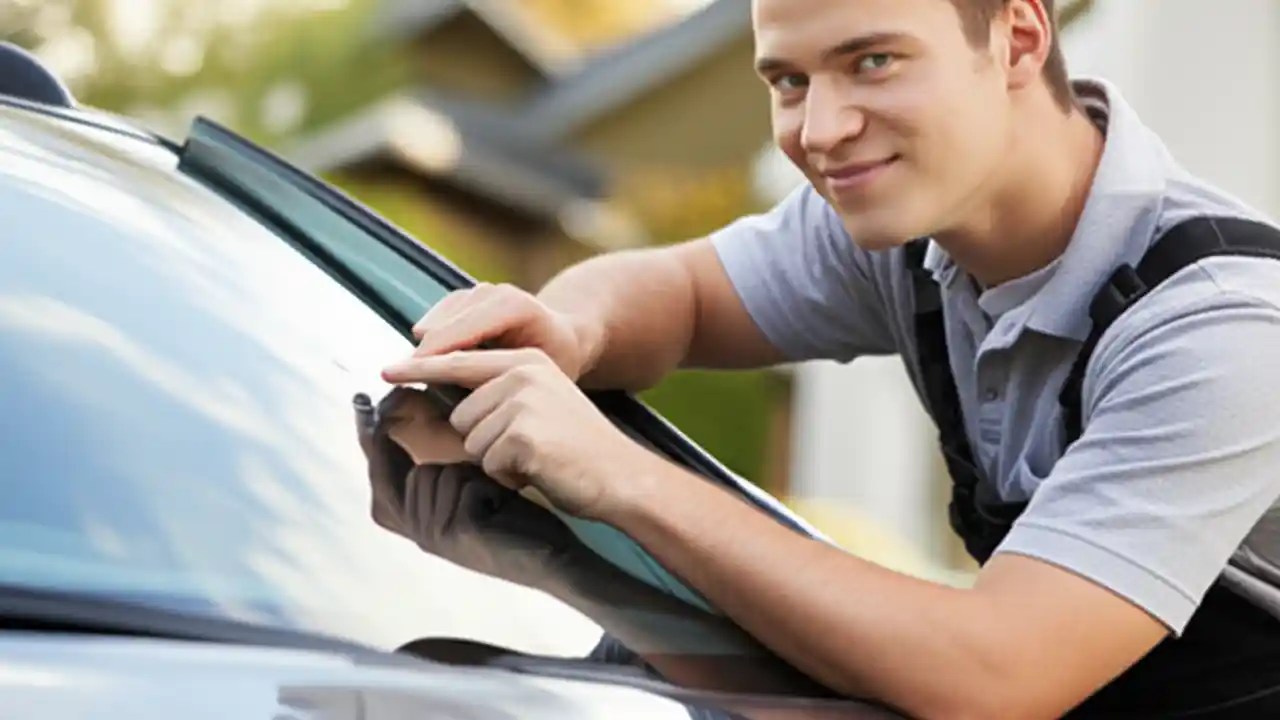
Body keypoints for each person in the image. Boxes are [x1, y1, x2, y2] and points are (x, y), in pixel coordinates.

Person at [376, 0, 1280, 716]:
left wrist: (620, 475)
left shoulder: (1219, 330)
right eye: (789, 80)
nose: (822, 128)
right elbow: (681, 296)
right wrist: (568, 332)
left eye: (872, 61)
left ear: (1017, 37)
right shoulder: (905, 228)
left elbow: (994, 679)